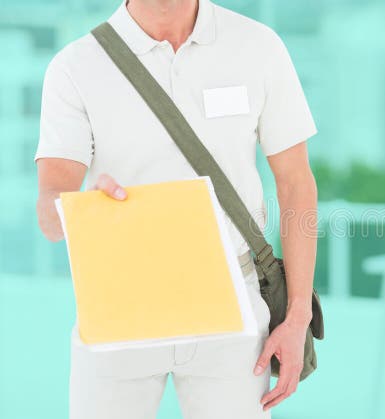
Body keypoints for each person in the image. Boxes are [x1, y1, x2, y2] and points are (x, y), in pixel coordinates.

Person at [34, 0, 318, 418]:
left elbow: (296, 185)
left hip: (233, 305)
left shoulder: (258, 47)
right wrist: (82, 206)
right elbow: (49, 211)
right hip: (119, 303)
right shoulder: (76, 66)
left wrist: (297, 318)